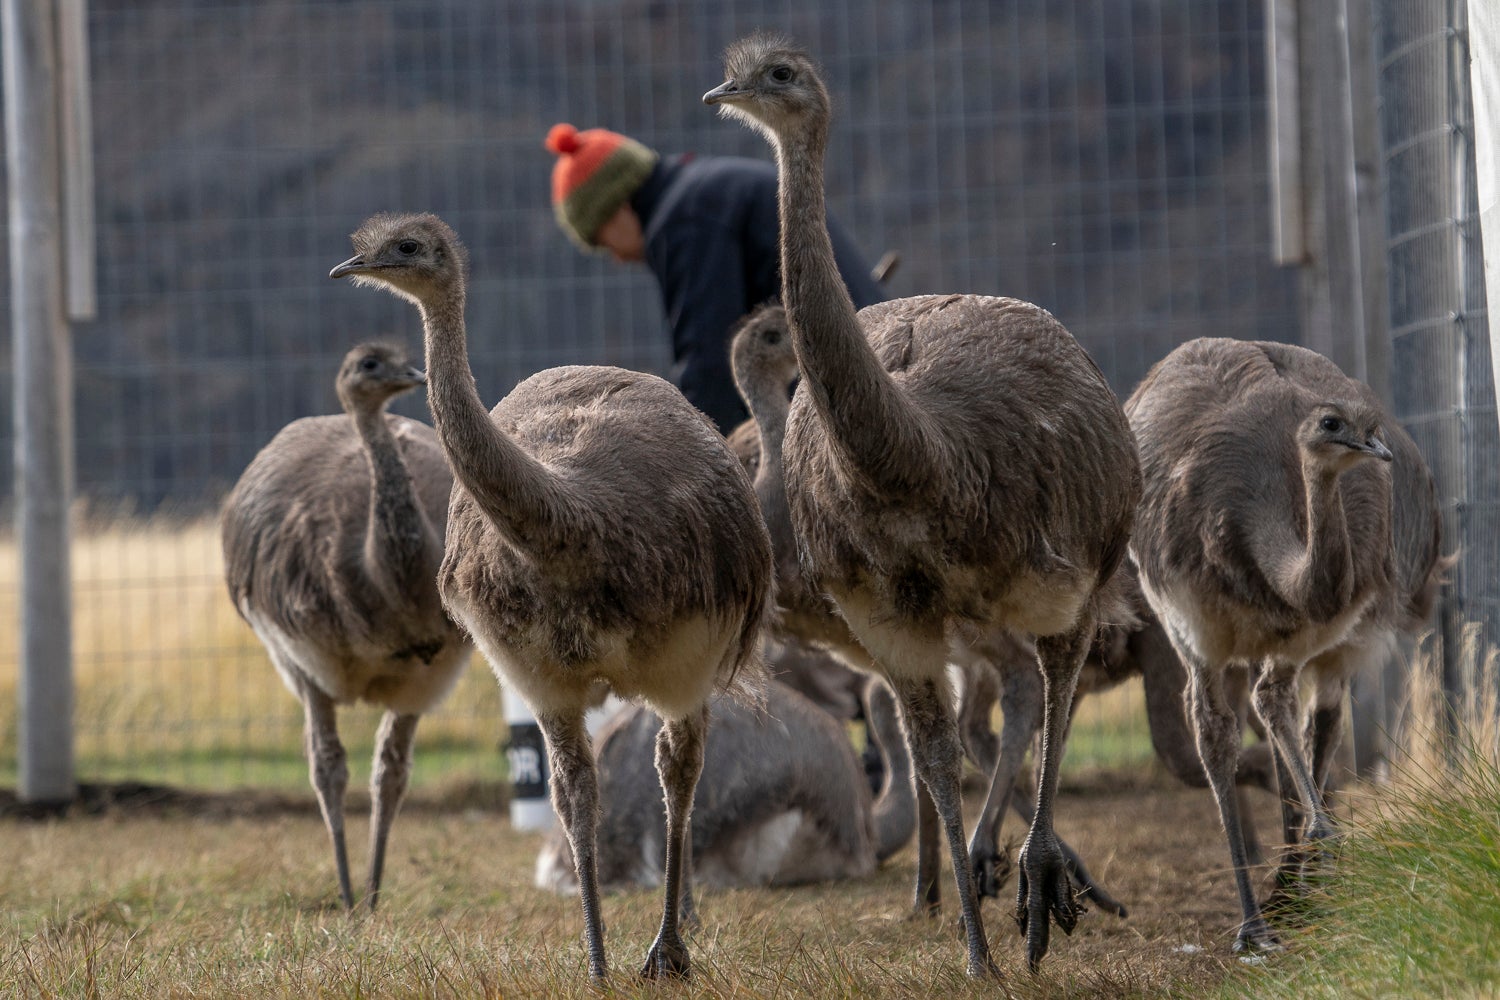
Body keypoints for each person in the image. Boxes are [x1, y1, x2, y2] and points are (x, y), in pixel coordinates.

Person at [545, 123, 888, 433]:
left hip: (843, 400)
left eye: (603, 242)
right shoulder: (705, 188)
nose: (618, 259)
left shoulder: (686, 220)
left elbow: (709, 365)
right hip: (872, 360)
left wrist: (702, 471)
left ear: (616, 207)